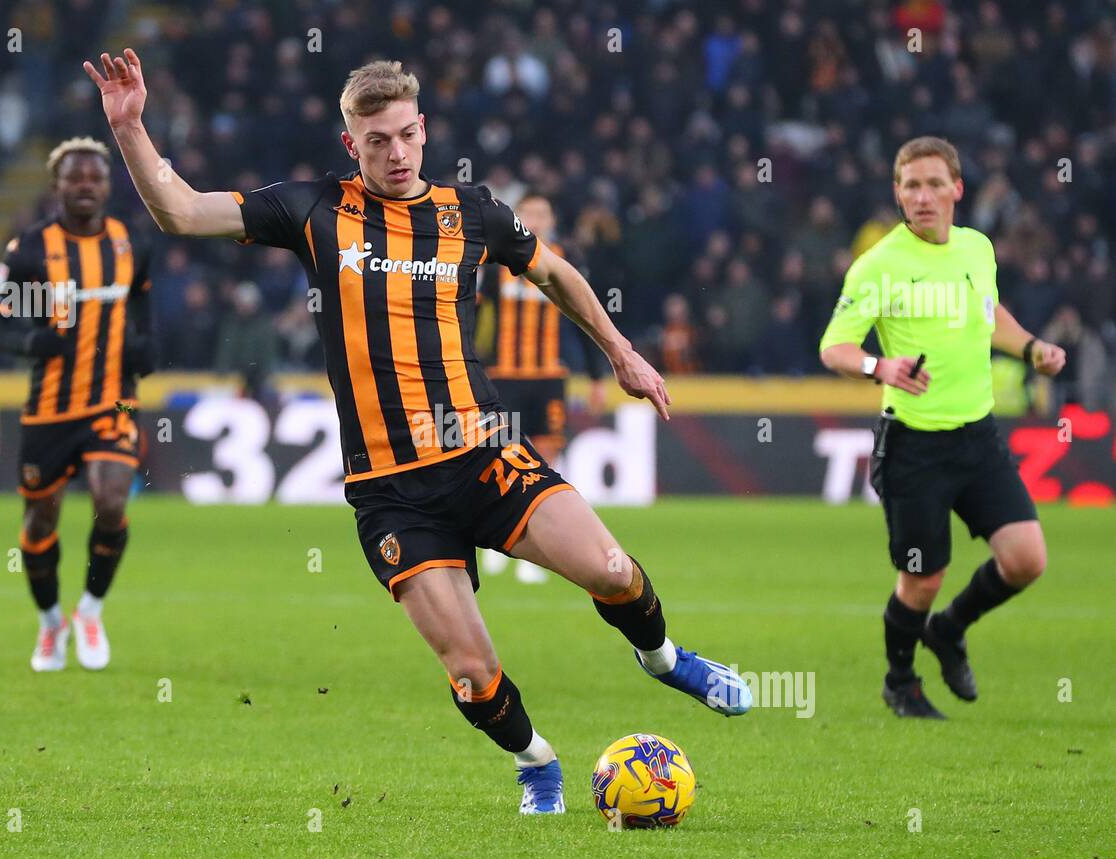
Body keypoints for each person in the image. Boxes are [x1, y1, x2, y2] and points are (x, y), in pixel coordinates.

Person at [85, 50, 752, 814]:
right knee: (472, 671)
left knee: (610, 569)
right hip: (392, 493)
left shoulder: (471, 211)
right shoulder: (311, 212)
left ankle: (665, 660)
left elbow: (554, 272)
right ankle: (537, 762)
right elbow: (179, 209)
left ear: (424, 130)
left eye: (406, 135)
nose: (395, 154)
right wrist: (132, 130)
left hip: (485, 456)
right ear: (351, 146)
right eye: (377, 142)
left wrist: (622, 351)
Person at [819, 136, 1067, 719]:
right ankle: (900, 682)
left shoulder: (977, 249)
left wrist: (1030, 347)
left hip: (977, 438)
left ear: (957, 189)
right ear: (897, 194)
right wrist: (882, 367)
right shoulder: (878, 265)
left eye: (934, 184)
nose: (923, 196)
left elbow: (988, 316)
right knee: (922, 581)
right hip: (913, 446)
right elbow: (834, 348)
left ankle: (949, 631)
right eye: (911, 185)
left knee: (1028, 559)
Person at [0, 137, 156, 673]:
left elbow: (142, 305)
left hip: (114, 403)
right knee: (40, 522)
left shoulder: (132, 243)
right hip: (51, 410)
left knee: (110, 502)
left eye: (95, 178)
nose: (86, 186)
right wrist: (32, 342)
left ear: (108, 185)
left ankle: (91, 610)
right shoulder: (29, 250)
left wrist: (145, 348)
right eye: (75, 178)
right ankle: (51, 622)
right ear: (56, 185)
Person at [475, 192, 606, 583]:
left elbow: (585, 318)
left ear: (550, 220)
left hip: (549, 377)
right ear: (517, 217)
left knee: (546, 463)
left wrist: (596, 377)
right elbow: (475, 315)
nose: (535, 219)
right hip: (506, 374)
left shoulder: (564, 260)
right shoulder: (495, 263)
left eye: (541, 214)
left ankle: (540, 551)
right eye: (528, 213)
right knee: (500, 458)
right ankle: (496, 544)